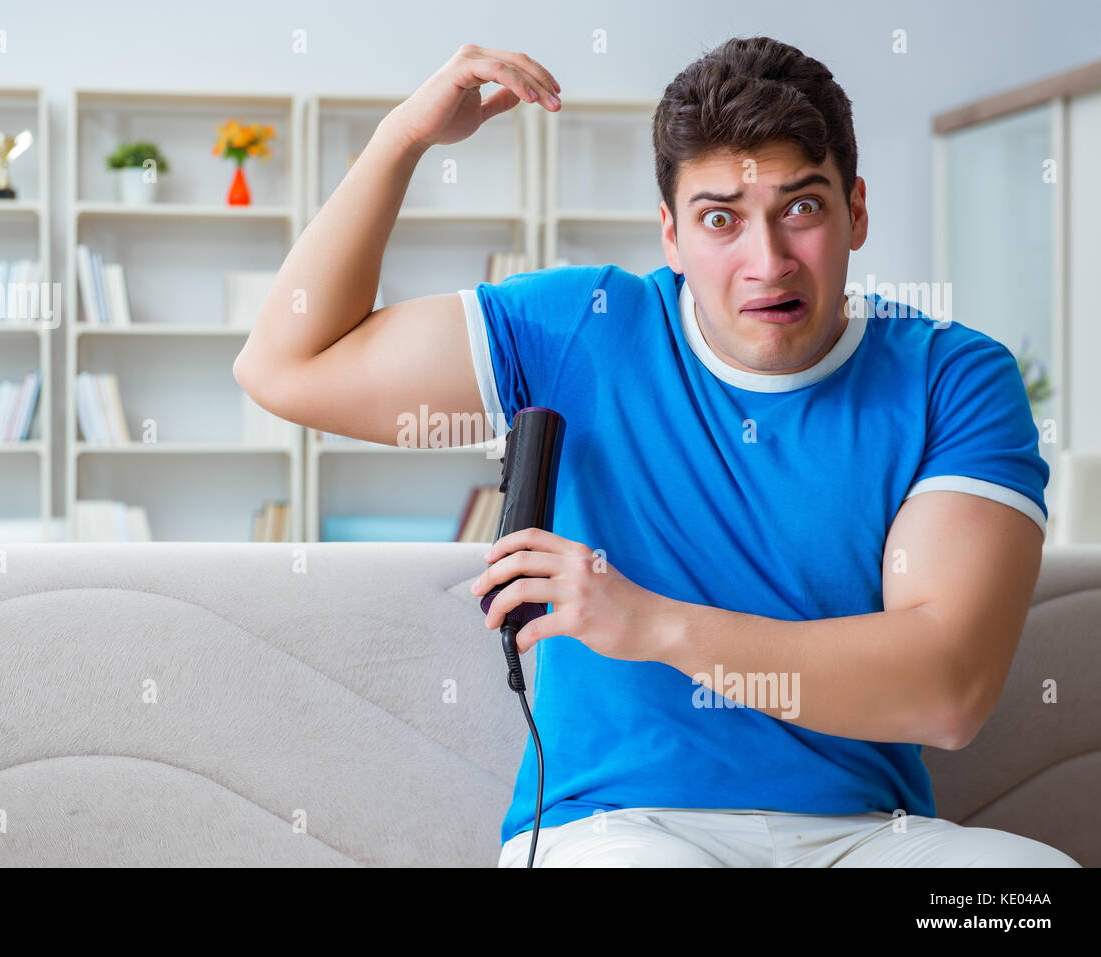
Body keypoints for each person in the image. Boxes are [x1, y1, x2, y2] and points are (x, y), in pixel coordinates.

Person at [233, 36, 1080, 867]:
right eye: (722, 219)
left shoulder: (951, 375)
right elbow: (287, 367)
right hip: (621, 829)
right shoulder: (581, 330)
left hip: (866, 834)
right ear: (670, 236)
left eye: (802, 208)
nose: (768, 261)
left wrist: (648, 622)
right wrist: (402, 141)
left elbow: (948, 692)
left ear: (856, 211)